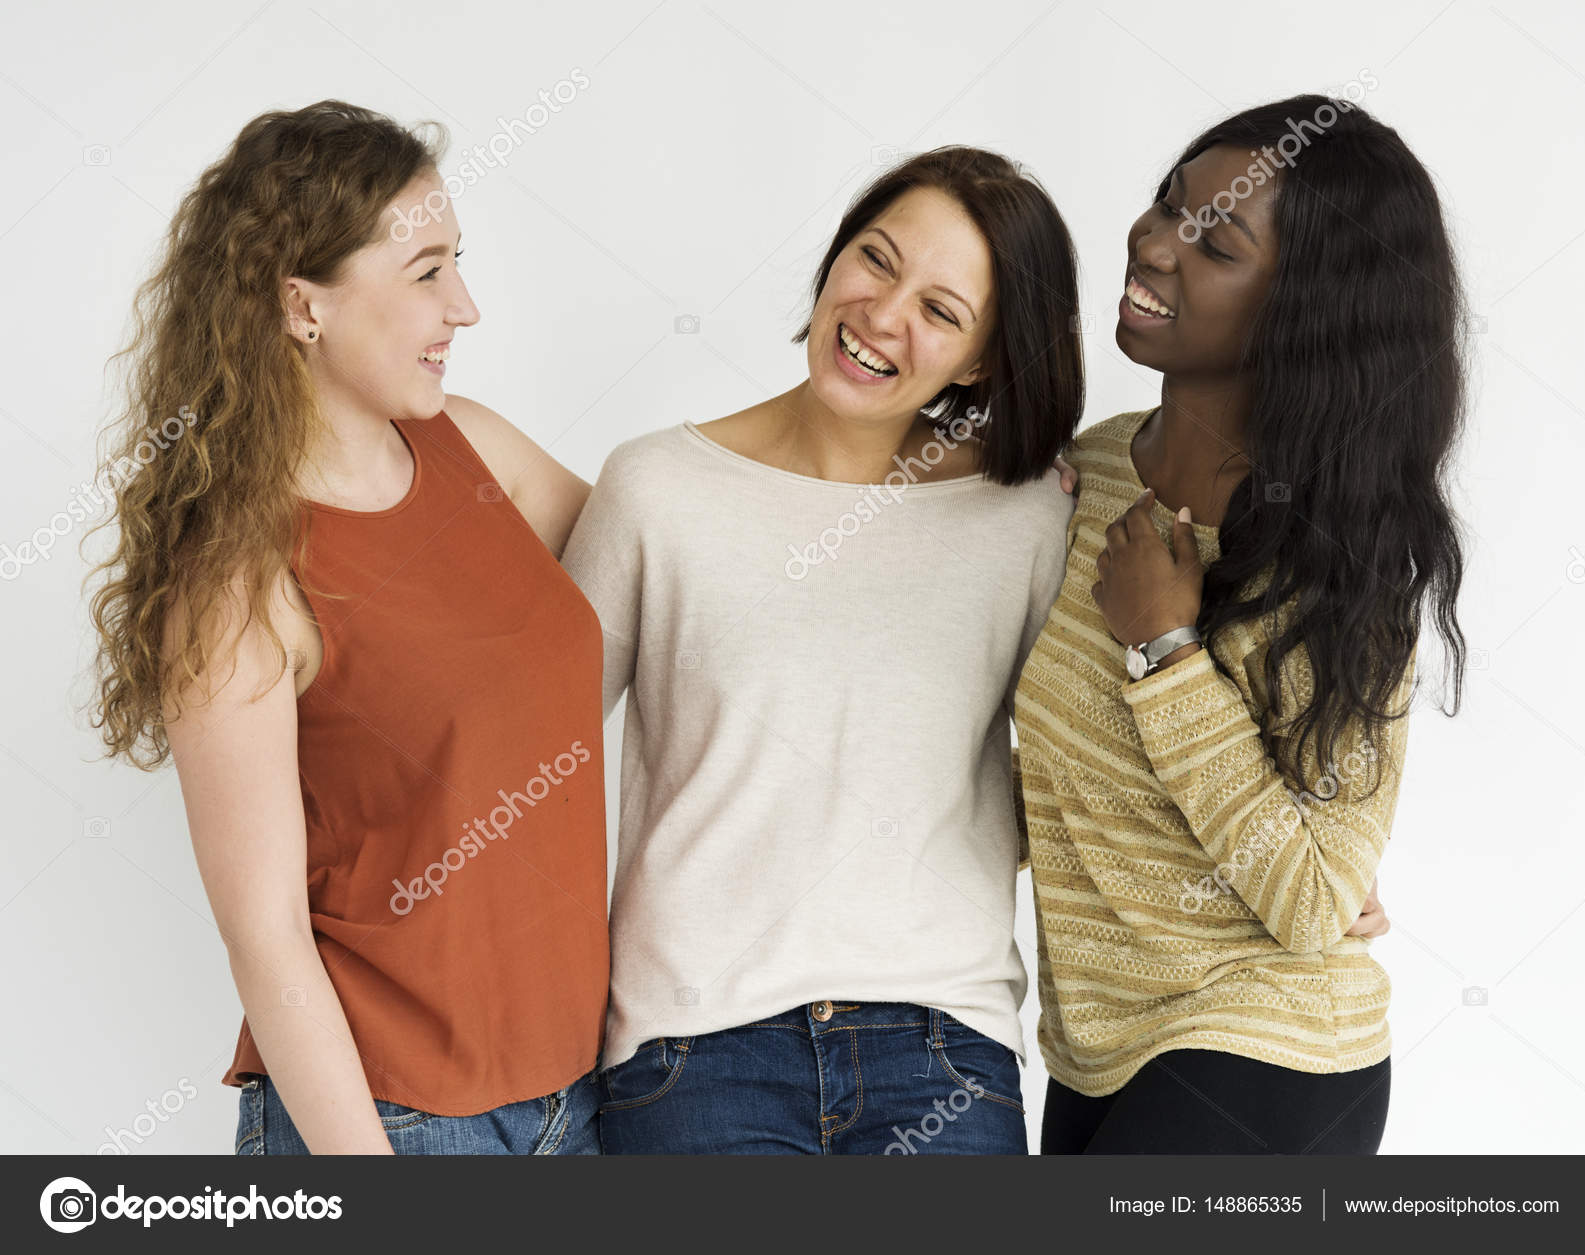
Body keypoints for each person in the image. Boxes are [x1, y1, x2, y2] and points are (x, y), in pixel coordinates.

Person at [85, 100, 609, 1154]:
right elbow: (267, 938)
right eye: (425, 273)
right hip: (393, 1124)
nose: (463, 306)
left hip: (584, 1097)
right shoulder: (239, 583)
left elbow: (687, 578)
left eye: (457, 263)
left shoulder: (479, 452)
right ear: (301, 306)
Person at [561, 147, 1083, 1154]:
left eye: (941, 309)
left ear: (980, 360)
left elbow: (1096, 754)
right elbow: (540, 758)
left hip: (942, 1043)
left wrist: (1259, 854)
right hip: (693, 1048)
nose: (884, 315)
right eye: (876, 261)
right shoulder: (656, 489)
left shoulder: (1025, 516)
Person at [1016, 94, 1465, 1154]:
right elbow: (1051, 779)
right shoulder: (1083, 476)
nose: (1152, 246)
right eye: (1166, 207)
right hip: (1089, 1054)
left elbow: (1312, 901)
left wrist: (1166, 652)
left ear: (1305, 313)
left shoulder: (1340, 562)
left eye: (1211, 243)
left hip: (1262, 1051)